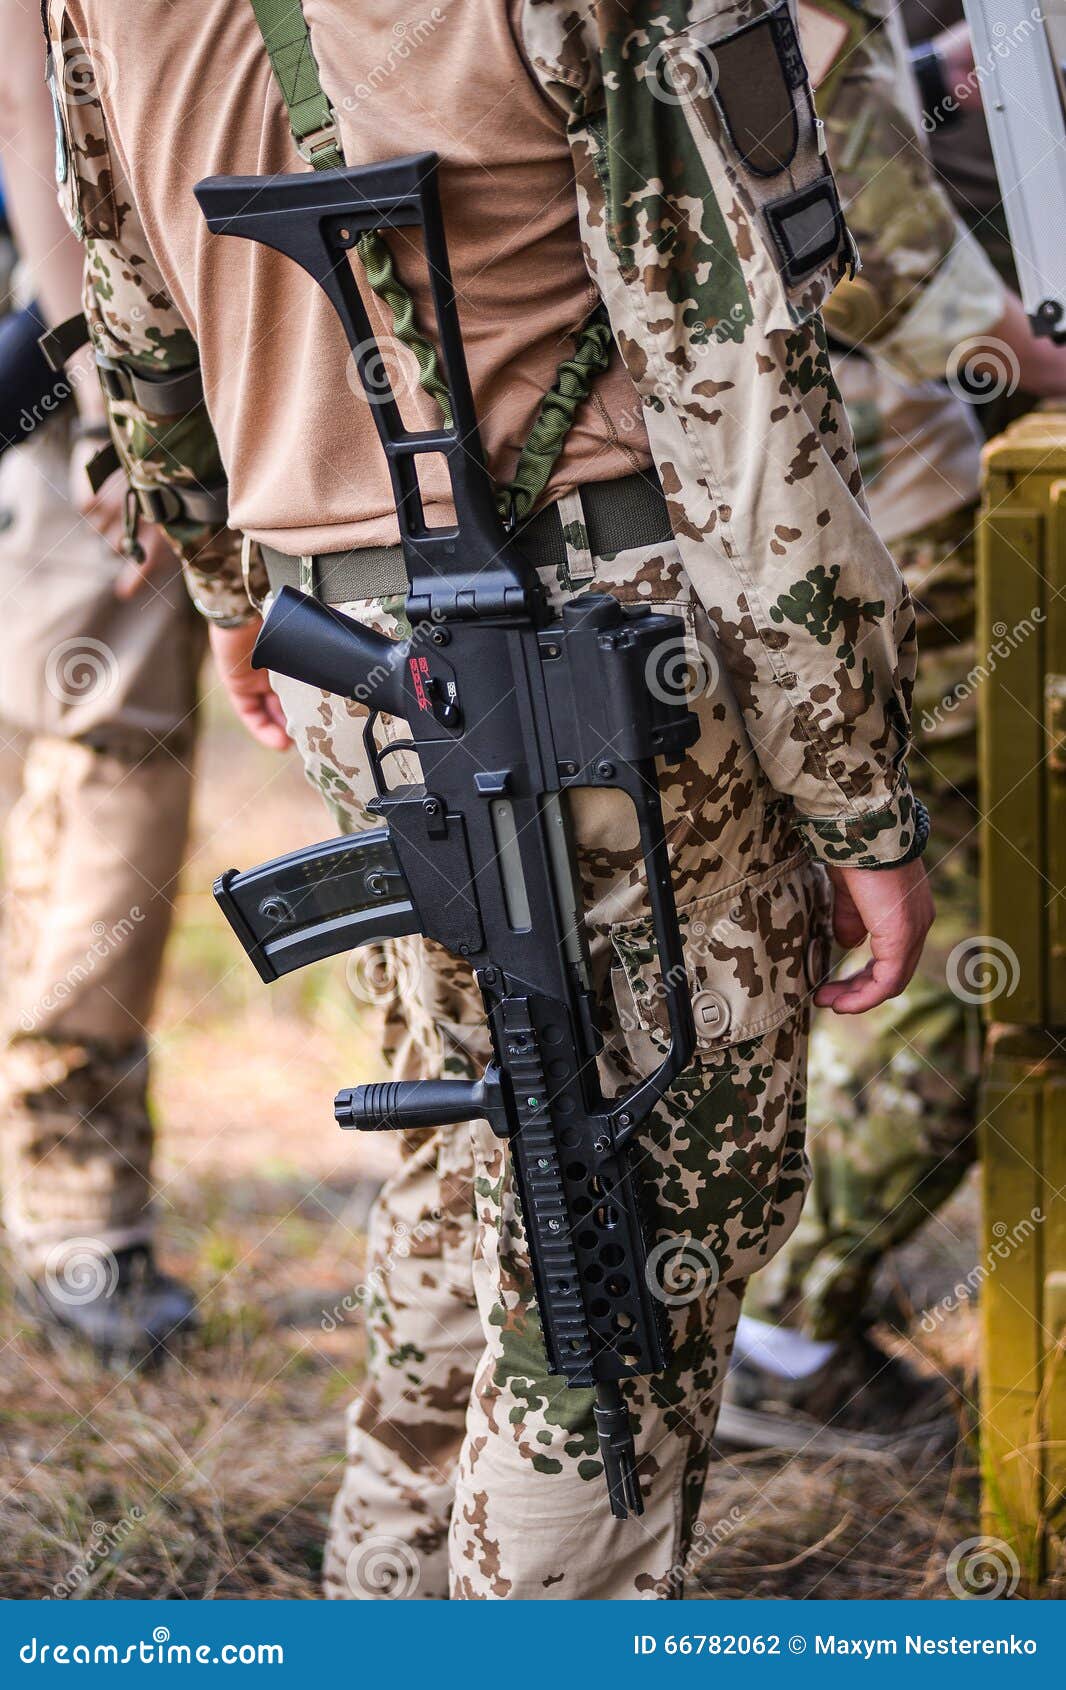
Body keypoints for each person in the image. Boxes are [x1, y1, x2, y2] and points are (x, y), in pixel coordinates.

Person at [31, 0, 933, 1598]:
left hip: (349, 645)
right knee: (618, 1272)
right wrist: (857, 795)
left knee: (471, 1178)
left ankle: (387, 1610)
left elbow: (126, 310)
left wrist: (240, 587)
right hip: (604, 650)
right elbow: (736, 385)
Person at [724, 0, 1066, 1444]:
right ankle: (778, 1325)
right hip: (890, 513)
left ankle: (776, 1317)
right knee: (992, 946)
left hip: (820, 506)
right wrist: (1034, 362)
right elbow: (870, 239)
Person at [0, 51, 202, 1365]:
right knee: (105, 762)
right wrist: (98, 391)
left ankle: (72, 1201)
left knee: (94, 760)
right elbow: (40, 102)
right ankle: (72, 1201)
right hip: (78, 347)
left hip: (95, 335)